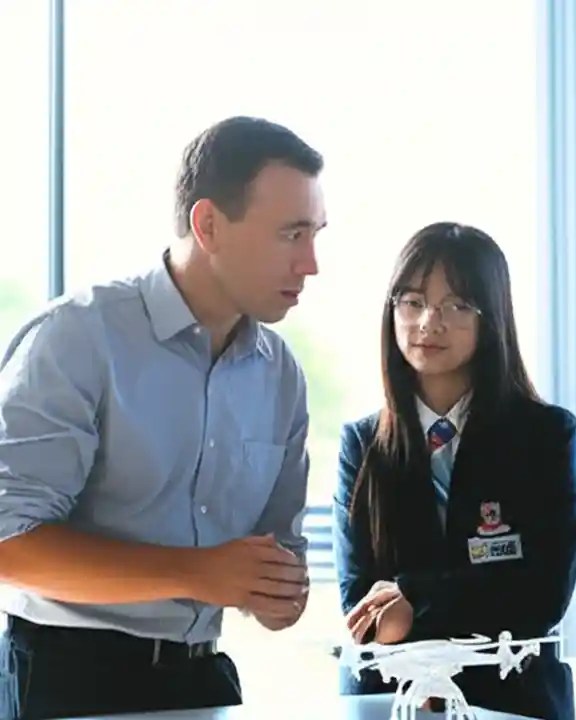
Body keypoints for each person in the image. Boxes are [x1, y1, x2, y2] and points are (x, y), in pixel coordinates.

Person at [0, 116, 325, 719]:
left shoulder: (281, 375)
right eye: (291, 234)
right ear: (208, 226)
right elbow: (9, 545)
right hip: (68, 679)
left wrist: (279, 590)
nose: (310, 263)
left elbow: (277, 556)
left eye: (315, 234)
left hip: (202, 678)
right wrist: (198, 573)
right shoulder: (77, 337)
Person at [334, 222, 576, 720]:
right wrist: (466, 596)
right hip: (391, 701)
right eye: (412, 302)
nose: (429, 322)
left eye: (456, 305)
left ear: (491, 318)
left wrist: (414, 597)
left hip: (512, 701)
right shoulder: (362, 445)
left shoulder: (544, 436)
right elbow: (365, 610)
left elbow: (540, 596)